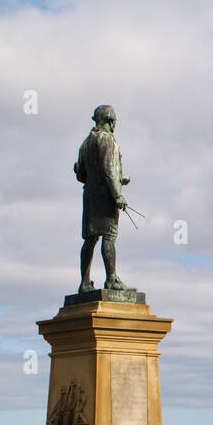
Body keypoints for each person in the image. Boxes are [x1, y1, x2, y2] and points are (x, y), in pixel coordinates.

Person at [75, 105, 132, 292]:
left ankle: (84, 283)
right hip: (105, 197)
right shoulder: (106, 140)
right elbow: (108, 169)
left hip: (90, 196)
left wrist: (120, 179)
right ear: (110, 120)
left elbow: (81, 175)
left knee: (90, 239)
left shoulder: (85, 143)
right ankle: (111, 279)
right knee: (109, 236)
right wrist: (117, 194)